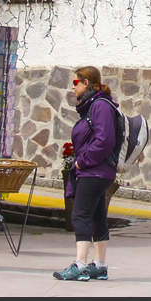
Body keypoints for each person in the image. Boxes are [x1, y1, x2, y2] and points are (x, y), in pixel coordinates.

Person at [53, 66, 120, 281]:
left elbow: (105, 139)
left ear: (87, 83)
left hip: (94, 171)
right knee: (97, 216)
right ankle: (99, 266)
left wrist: (82, 161)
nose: (73, 87)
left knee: (80, 215)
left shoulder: (100, 106)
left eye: (75, 83)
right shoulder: (95, 105)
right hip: (99, 171)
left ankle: (80, 265)